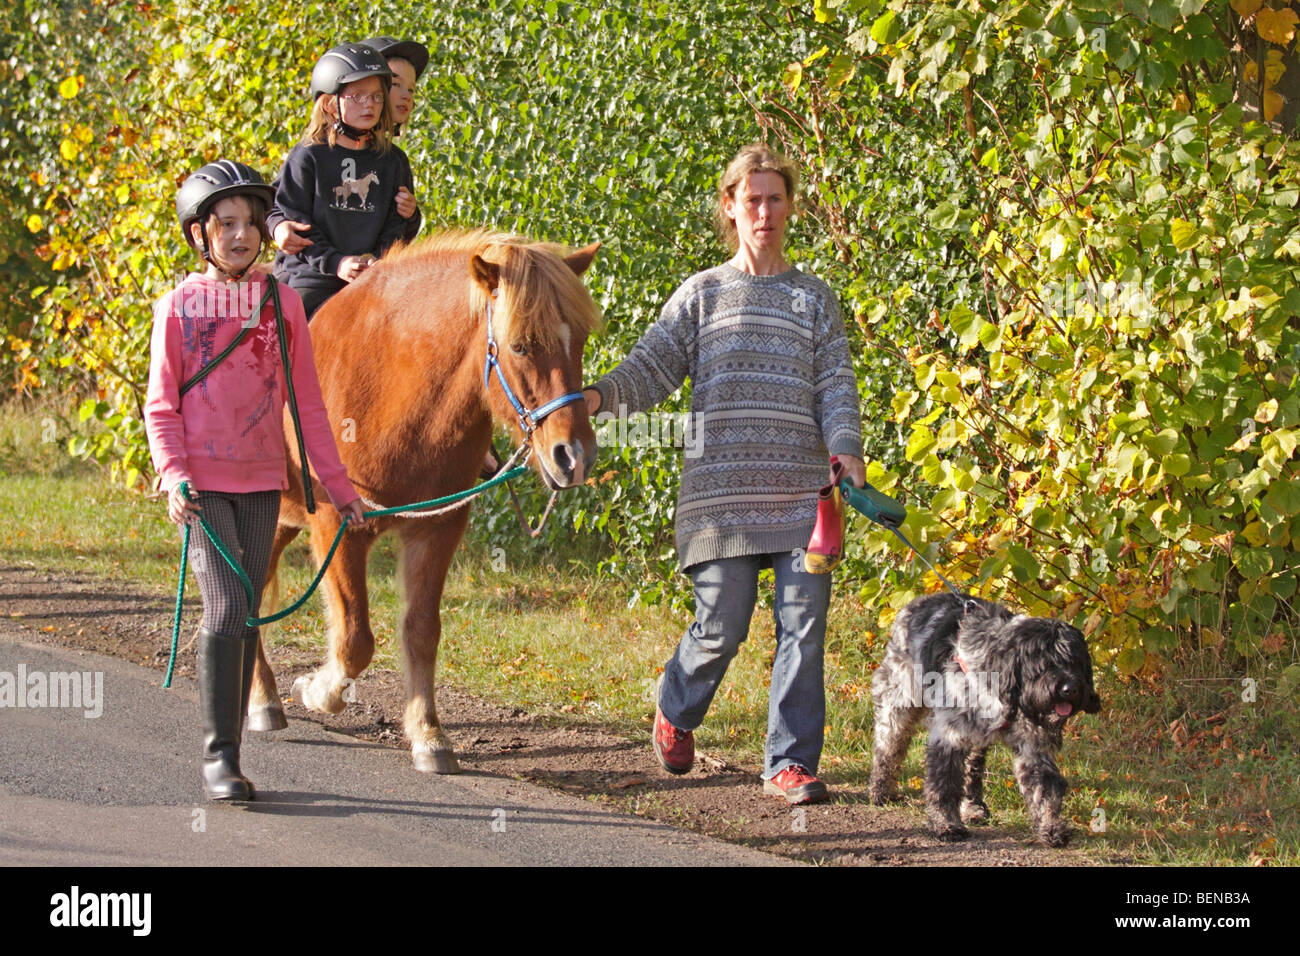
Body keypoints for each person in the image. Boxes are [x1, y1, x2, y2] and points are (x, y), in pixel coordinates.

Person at [584, 144, 866, 805]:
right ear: (731, 209)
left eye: (775, 199)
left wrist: (846, 447)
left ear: (790, 207)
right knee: (722, 627)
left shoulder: (813, 298)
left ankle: (789, 765)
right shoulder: (702, 295)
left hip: (805, 494)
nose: (764, 211)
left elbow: (836, 382)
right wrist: (594, 399)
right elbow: (649, 370)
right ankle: (676, 707)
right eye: (752, 200)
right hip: (722, 497)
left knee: (803, 624)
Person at [145, 160, 366, 801]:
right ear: (199, 235)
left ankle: (232, 752)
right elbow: (160, 404)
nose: (241, 236)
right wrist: (173, 474)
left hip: (262, 482)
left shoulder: (282, 302)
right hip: (202, 487)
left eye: (249, 223)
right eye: (226, 224)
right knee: (228, 605)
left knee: (244, 611)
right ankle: (220, 756)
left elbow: (309, 407)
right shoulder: (179, 306)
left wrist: (338, 488)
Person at [268, 42, 411, 319]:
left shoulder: (394, 161)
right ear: (331, 104)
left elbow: (398, 226)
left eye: (377, 97)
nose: (369, 104)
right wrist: (337, 263)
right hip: (315, 276)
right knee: (288, 331)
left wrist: (377, 261)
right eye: (357, 96)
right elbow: (296, 220)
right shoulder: (308, 156)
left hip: (376, 275)